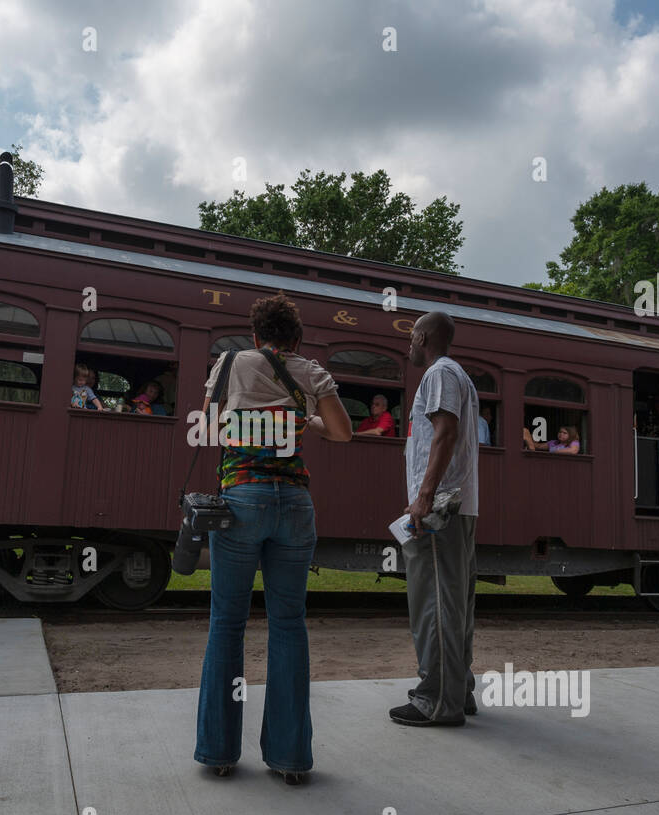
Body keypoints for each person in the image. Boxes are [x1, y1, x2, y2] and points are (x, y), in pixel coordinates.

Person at [194, 293, 352, 784]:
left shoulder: (229, 363)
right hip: (294, 506)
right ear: (296, 339)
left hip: (241, 500)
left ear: (256, 335)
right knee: (288, 625)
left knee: (227, 623)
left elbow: (209, 424)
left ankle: (219, 752)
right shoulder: (309, 370)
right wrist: (306, 421)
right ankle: (288, 759)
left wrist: (251, 423)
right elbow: (344, 433)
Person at [390, 311, 480, 727]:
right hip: (457, 508)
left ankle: (437, 701)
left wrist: (423, 497)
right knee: (455, 603)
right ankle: (459, 692)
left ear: (423, 336)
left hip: (439, 510)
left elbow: (444, 432)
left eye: (411, 337)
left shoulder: (439, 374)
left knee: (435, 604)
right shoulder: (458, 374)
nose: (409, 345)